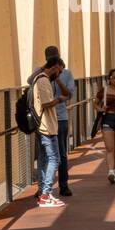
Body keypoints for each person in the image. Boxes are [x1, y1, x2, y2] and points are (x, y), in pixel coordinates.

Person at [31, 54, 66, 208]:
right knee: (54, 159)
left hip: (43, 126)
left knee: (44, 159)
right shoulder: (43, 80)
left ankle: (42, 192)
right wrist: (59, 100)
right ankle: (46, 194)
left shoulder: (38, 79)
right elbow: (46, 103)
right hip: (47, 126)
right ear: (54, 67)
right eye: (59, 71)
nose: (59, 75)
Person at [46, 44, 74, 197]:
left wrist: (57, 79)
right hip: (45, 119)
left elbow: (69, 94)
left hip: (61, 118)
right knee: (46, 154)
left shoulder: (66, 73)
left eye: (55, 58)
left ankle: (64, 185)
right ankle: (44, 188)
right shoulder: (42, 73)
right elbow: (30, 81)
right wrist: (45, 70)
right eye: (50, 59)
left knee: (62, 153)